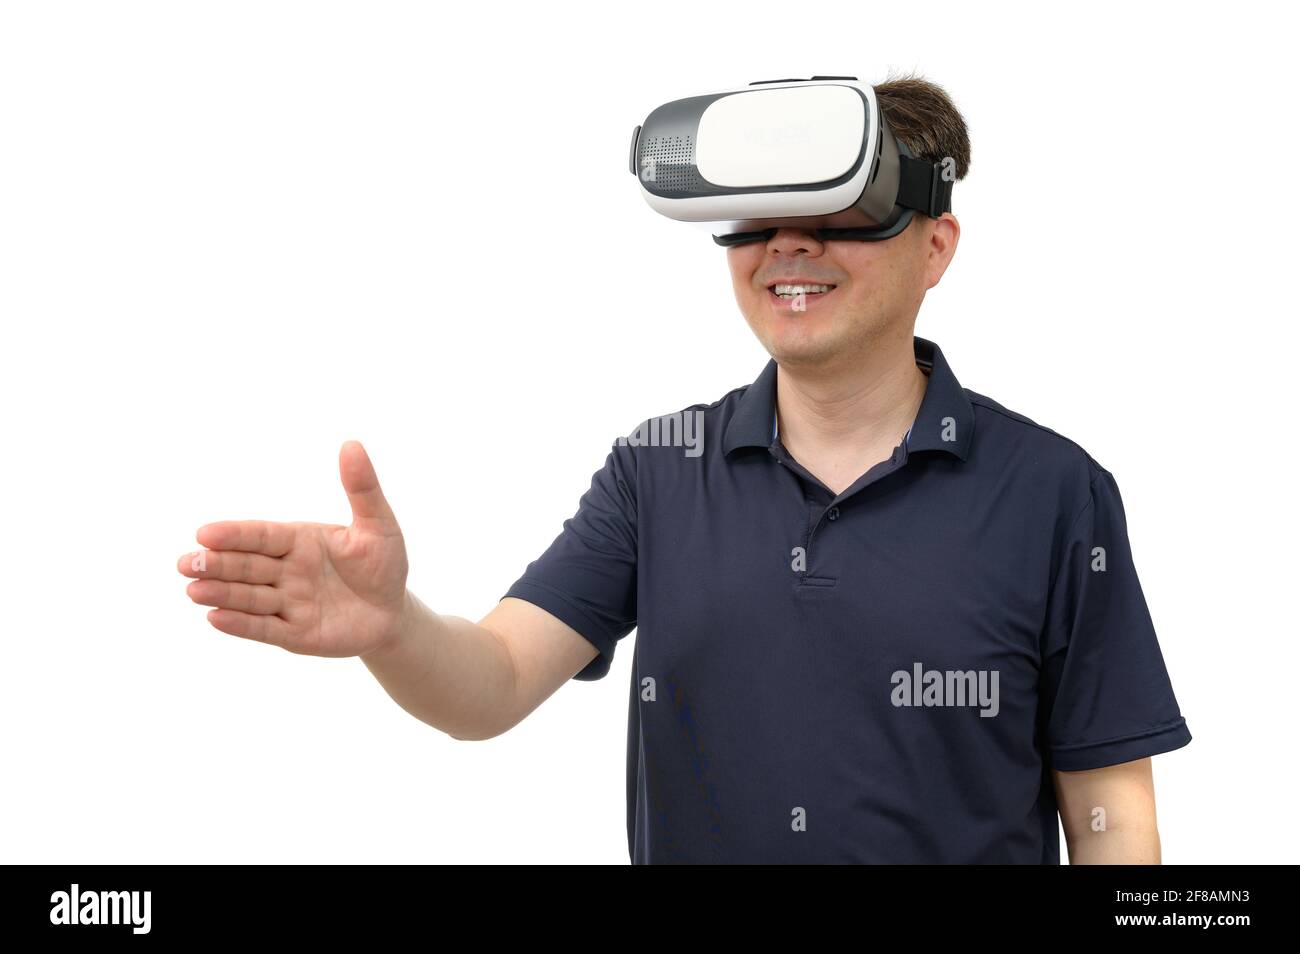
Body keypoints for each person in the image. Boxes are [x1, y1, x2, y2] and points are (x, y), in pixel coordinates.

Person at [177, 74, 1190, 864]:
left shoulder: (1055, 493)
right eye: (760, 212)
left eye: (842, 210)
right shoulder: (655, 475)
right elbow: (491, 684)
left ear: (934, 247)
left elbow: (1111, 816)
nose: (790, 243)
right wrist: (392, 630)